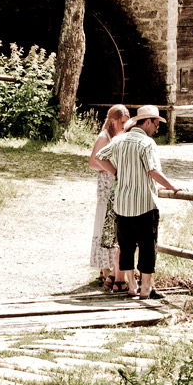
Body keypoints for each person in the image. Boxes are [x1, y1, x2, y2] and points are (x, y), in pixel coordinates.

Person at [96, 105, 183, 300]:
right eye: (156, 123)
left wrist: (116, 172)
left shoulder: (119, 140)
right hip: (144, 204)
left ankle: (132, 285)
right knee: (147, 246)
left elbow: (100, 157)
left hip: (122, 203)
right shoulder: (147, 143)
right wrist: (172, 186)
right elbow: (152, 170)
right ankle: (145, 287)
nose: (157, 128)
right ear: (147, 121)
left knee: (126, 246)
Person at [88, 104, 129, 291]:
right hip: (106, 185)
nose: (124, 124)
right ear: (113, 120)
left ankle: (111, 268)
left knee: (113, 225)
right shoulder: (104, 136)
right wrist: (114, 171)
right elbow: (93, 162)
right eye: (122, 121)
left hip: (115, 186)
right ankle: (105, 267)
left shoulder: (118, 136)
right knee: (105, 223)